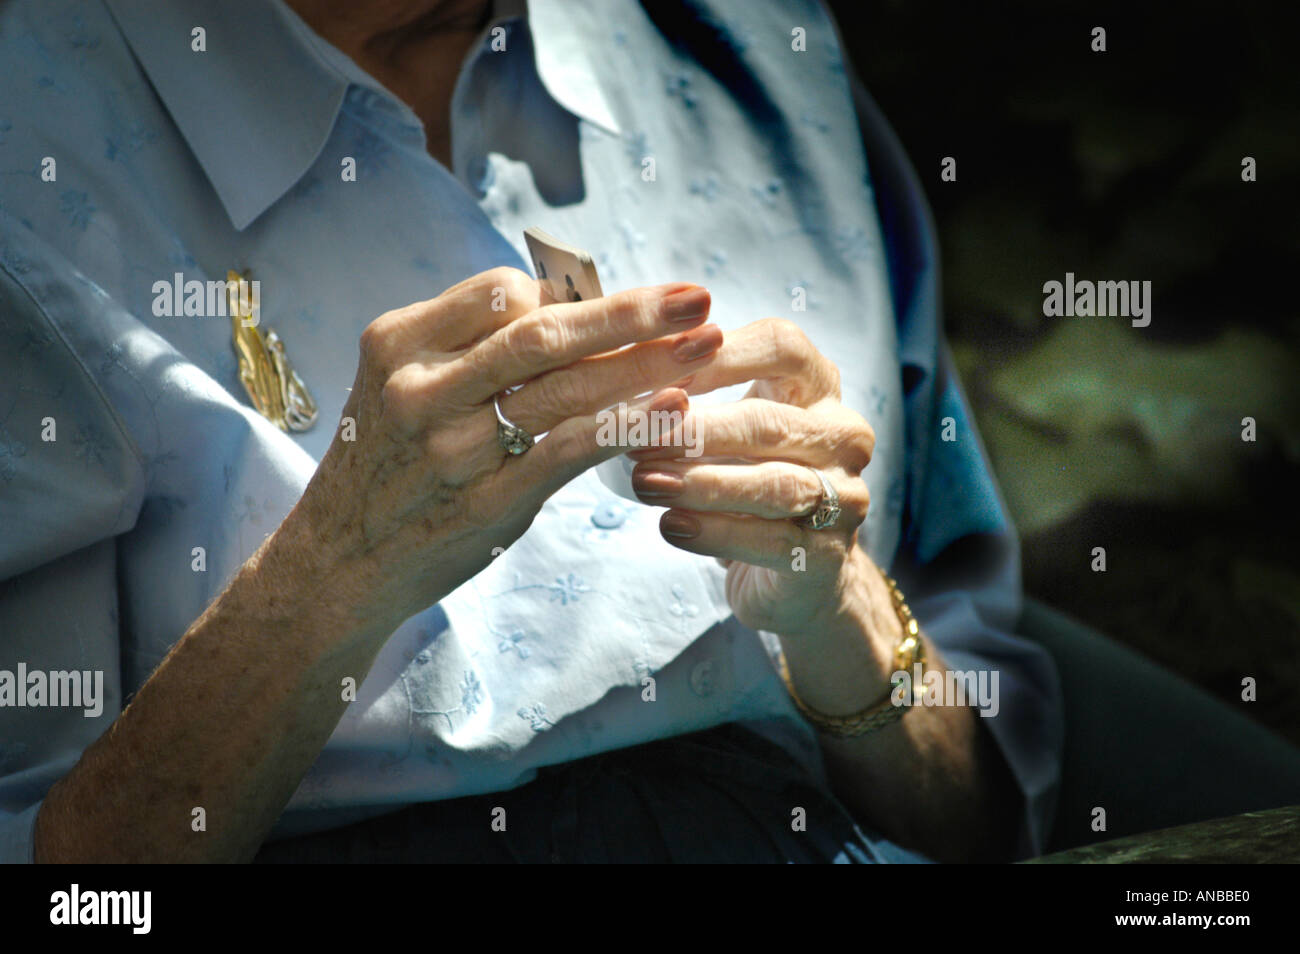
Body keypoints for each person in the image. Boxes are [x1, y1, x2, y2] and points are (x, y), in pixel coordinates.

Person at [0, 0, 1062, 863]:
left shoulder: (765, 58)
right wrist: (329, 578)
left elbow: (981, 830)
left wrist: (843, 613)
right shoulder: (31, 137)